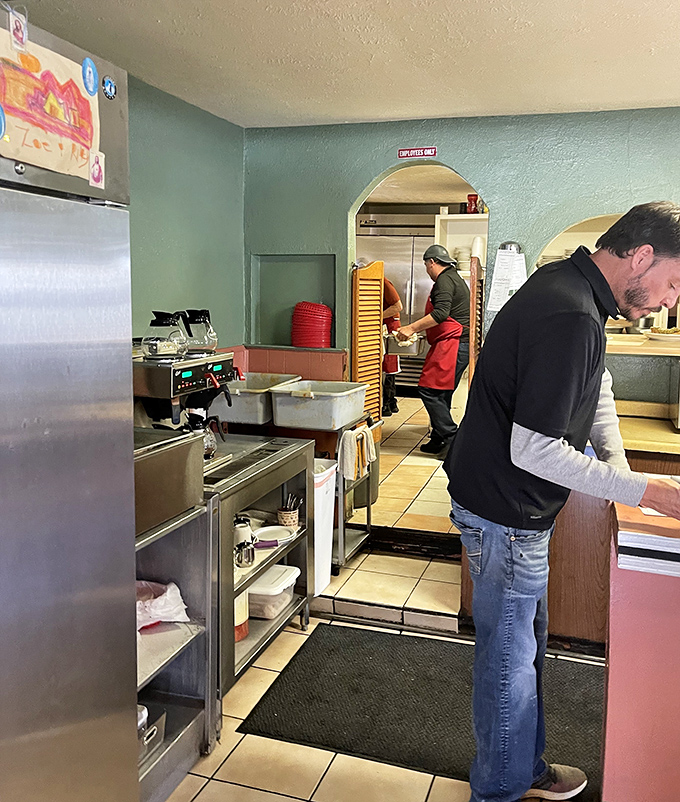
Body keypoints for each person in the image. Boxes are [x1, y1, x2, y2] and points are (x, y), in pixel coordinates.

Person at [444, 201, 680, 802]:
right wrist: (646, 490)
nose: (670, 302)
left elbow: (596, 387)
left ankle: (523, 770)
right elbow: (535, 450)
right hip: (505, 515)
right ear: (643, 256)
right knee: (509, 664)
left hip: (509, 510)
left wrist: (621, 473)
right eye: (674, 284)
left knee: (523, 652)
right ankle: (499, 791)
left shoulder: (573, 290)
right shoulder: (569, 313)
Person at [396, 244, 470, 456]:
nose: (427, 270)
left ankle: (451, 438)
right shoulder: (453, 277)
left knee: (430, 390)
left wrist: (410, 328)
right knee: (442, 393)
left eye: (427, 266)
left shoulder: (445, 281)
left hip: (453, 343)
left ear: (431, 263)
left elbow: (440, 314)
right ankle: (439, 439)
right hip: (454, 343)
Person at [382, 277, 403, 417]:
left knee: (389, 364)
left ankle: (387, 403)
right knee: (387, 365)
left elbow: (397, 306)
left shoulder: (384, 282)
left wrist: (376, 317)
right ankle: (391, 401)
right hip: (385, 324)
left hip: (389, 325)